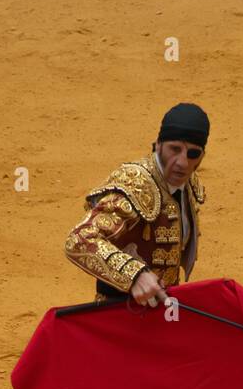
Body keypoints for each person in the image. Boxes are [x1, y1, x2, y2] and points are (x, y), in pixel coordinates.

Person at [64, 102, 209, 308]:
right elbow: (78, 239)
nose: (183, 162)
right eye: (174, 149)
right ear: (158, 145)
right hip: (119, 313)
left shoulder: (190, 184)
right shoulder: (134, 184)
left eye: (193, 154)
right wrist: (135, 275)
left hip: (161, 309)